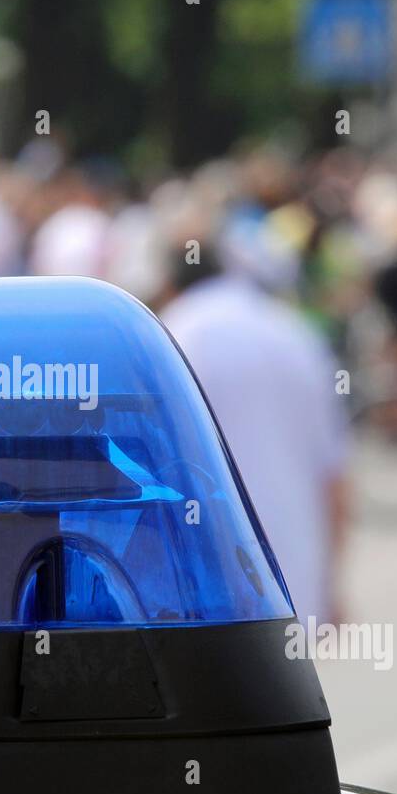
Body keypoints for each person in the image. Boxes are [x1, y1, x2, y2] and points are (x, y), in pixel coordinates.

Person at [159, 247, 349, 628]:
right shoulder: (293, 331)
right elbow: (335, 474)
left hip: (205, 583)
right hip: (296, 566)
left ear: (170, 285)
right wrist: (331, 583)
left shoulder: (170, 335)